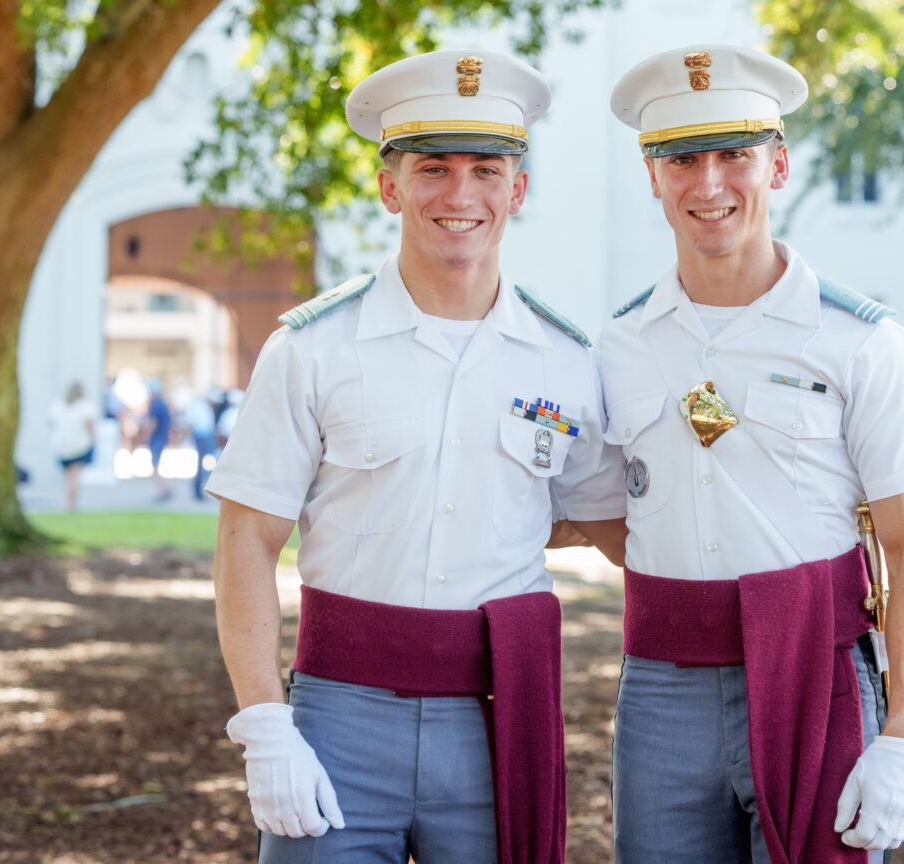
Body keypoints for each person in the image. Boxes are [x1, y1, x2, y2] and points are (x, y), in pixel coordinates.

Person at [206, 49, 627, 864]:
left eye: (486, 170)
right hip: (340, 712)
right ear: (389, 186)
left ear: (518, 189)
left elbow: (609, 523)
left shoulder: (567, 361)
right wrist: (265, 727)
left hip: (496, 715)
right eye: (433, 168)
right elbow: (246, 539)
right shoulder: (314, 349)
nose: (460, 195)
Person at [600, 46, 904, 863]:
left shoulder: (861, 342)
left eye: (735, 154)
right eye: (682, 159)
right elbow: (608, 511)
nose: (709, 183)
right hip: (662, 687)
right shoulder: (620, 344)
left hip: (814, 670)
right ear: (652, 176)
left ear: (779, 165)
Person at [49, 382, 98, 513]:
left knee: (68, 477)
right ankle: (73, 505)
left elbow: (51, 423)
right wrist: (94, 440)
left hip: (61, 446)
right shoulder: (86, 406)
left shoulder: (57, 405)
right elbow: (90, 426)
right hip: (79, 446)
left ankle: (69, 504)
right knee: (74, 477)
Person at [184, 390, 217, 501]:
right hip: (201, 437)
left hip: (206, 436)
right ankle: (198, 490)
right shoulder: (200, 407)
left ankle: (200, 490)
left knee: (206, 464)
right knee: (202, 465)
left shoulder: (206, 408)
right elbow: (191, 423)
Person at [143, 380, 173, 502]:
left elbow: (152, 423)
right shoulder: (163, 404)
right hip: (161, 437)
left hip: (157, 438)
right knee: (155, 465)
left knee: (155, 465)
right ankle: (163, 488)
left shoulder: (156, 405)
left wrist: (145, 436)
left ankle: (164, 489)